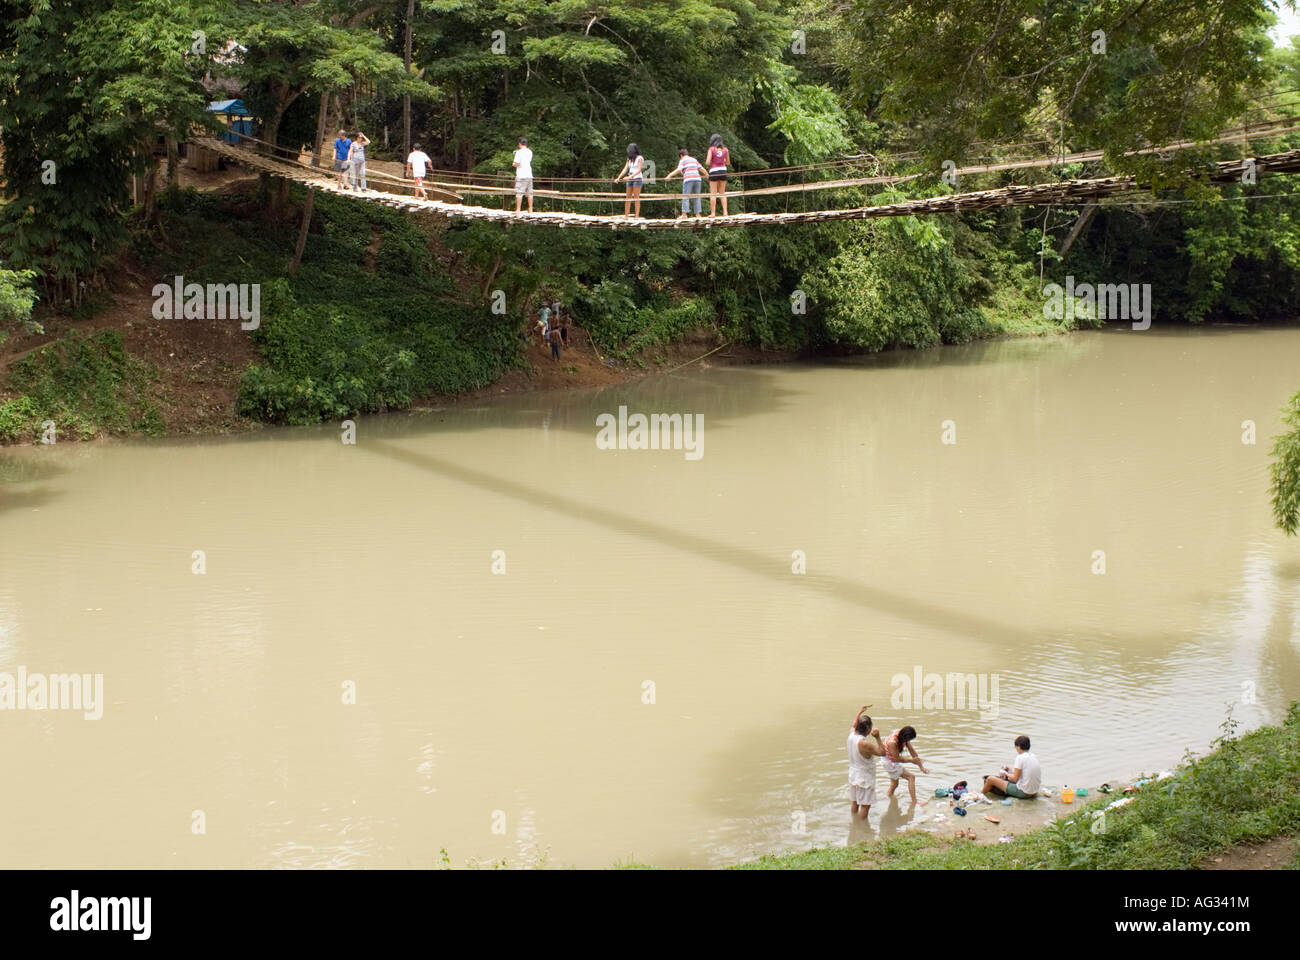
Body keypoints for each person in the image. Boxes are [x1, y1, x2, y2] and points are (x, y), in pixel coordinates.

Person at [847, 705, 885, 821]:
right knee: (865, 805)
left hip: (853, 774)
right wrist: (878, 737)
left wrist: (859, 711)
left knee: (855, 802)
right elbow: (882, 752)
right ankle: (861, 828)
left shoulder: (851, 735)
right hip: (864, 777)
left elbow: (853, 724)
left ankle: (854, 823)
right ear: (868, 728)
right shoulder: (864, 743)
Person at [881, 725, 928, 805]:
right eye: (908, 740)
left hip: (891, 761)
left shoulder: (903, 736)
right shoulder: (892, 742)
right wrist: (912, 761)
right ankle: (914, 802)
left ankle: (889, 798)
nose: (908, 741)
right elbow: (896, 758)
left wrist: (921, 767)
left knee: (895, 784)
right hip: (889, 762)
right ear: (904, 737)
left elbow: (913, 752)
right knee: (911, 777)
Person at [663, 148, 705, 219]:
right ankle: (698, 215)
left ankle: (684, 215)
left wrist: (669, 175)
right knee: (697, 196)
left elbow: (679, 169)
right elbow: (701, 168)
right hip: (697, 179)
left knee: (685, 196)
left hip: (688, 179)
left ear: (681, 155)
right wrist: (707, 175)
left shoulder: (682, 160)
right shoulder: (694, 159)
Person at [613, 143, 645, 218]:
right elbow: (625, 168)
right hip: (630, 179)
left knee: (636, 197)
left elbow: (639, 170)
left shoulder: (639, 158)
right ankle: (626, 215)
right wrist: (619, 177)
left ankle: (636, 216)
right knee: (628, 197)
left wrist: (630, 177)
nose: (627, 150)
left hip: (637, 179)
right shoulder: (629, 159)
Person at [705, 134, 730, 217]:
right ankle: (725, 212)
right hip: (723, 170)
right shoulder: (725, 149)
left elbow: (707, 162)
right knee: (722, 193)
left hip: (714, 171)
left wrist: (713, 160)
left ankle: (713, 213)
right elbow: (728, 162)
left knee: (713, 193)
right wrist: (723, 160)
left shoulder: (711, 149)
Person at [513, 137, 534, 213]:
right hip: (529, 174)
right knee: (530, 193)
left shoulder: (519, 152)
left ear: (519, 144)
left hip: (521, 175)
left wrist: (513, 164)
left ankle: (518, 209)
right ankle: (530, 209)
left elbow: (517, 164)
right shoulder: (530, 152)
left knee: (519, 193)